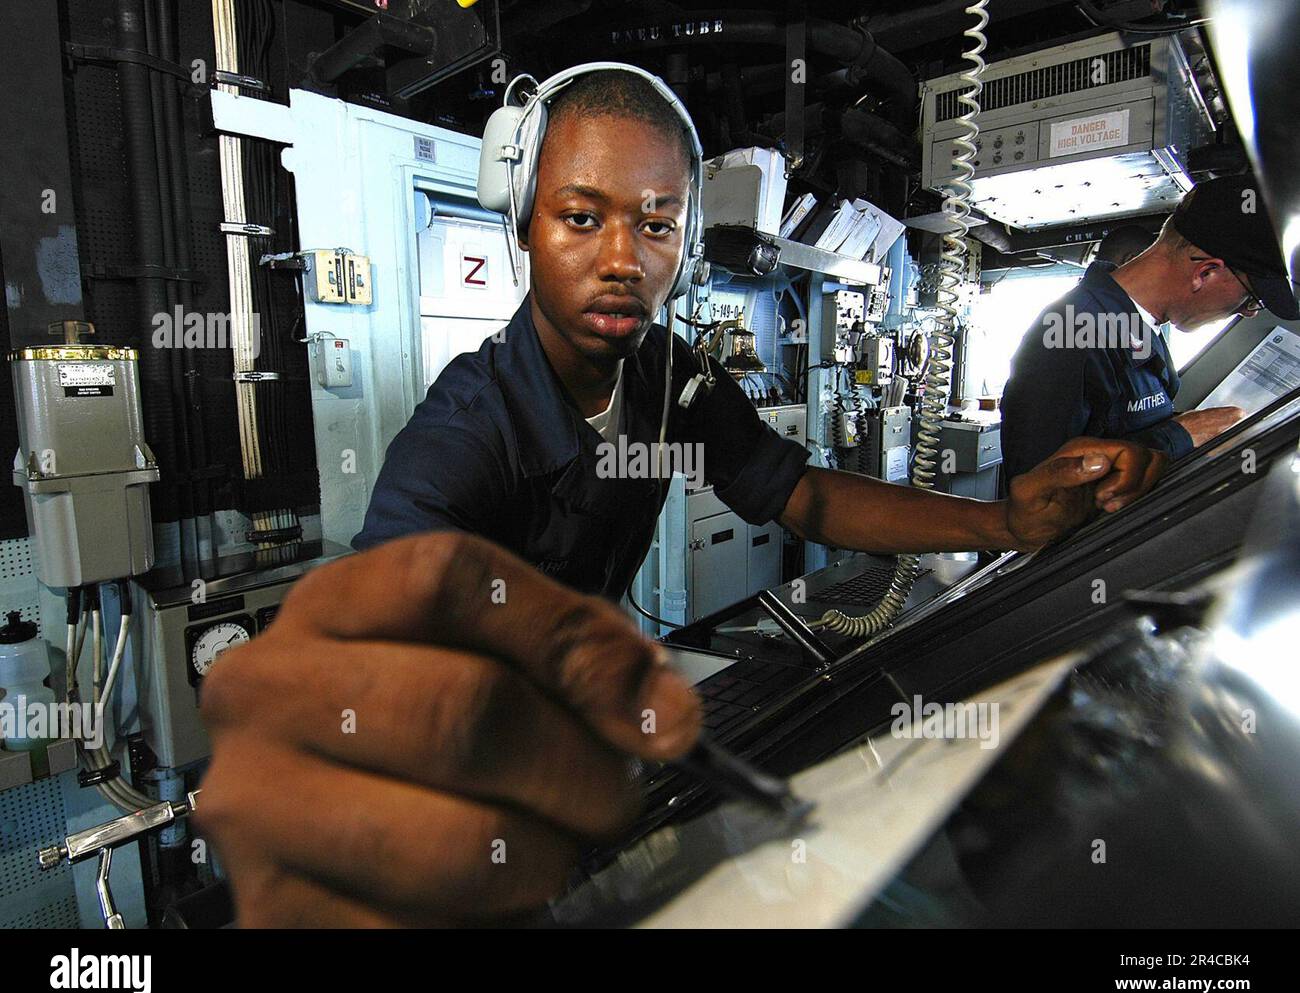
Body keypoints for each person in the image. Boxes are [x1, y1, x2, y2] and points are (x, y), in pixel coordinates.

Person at [195, 65, 1166, 927]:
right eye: (581, 218)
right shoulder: (467, 432)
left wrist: (1002, 521)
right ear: (522, 222)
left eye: (655, 224)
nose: (623, 258)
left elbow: (803, 497)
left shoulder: (669, 375)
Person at [1000, 174, 1300, 485]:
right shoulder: (1071, 333)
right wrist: (1180, 435)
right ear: (1205, 272)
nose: (1249, 312)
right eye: (1251, 298)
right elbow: (1036, 493)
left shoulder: (1141, 325)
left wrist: (1194, 427)